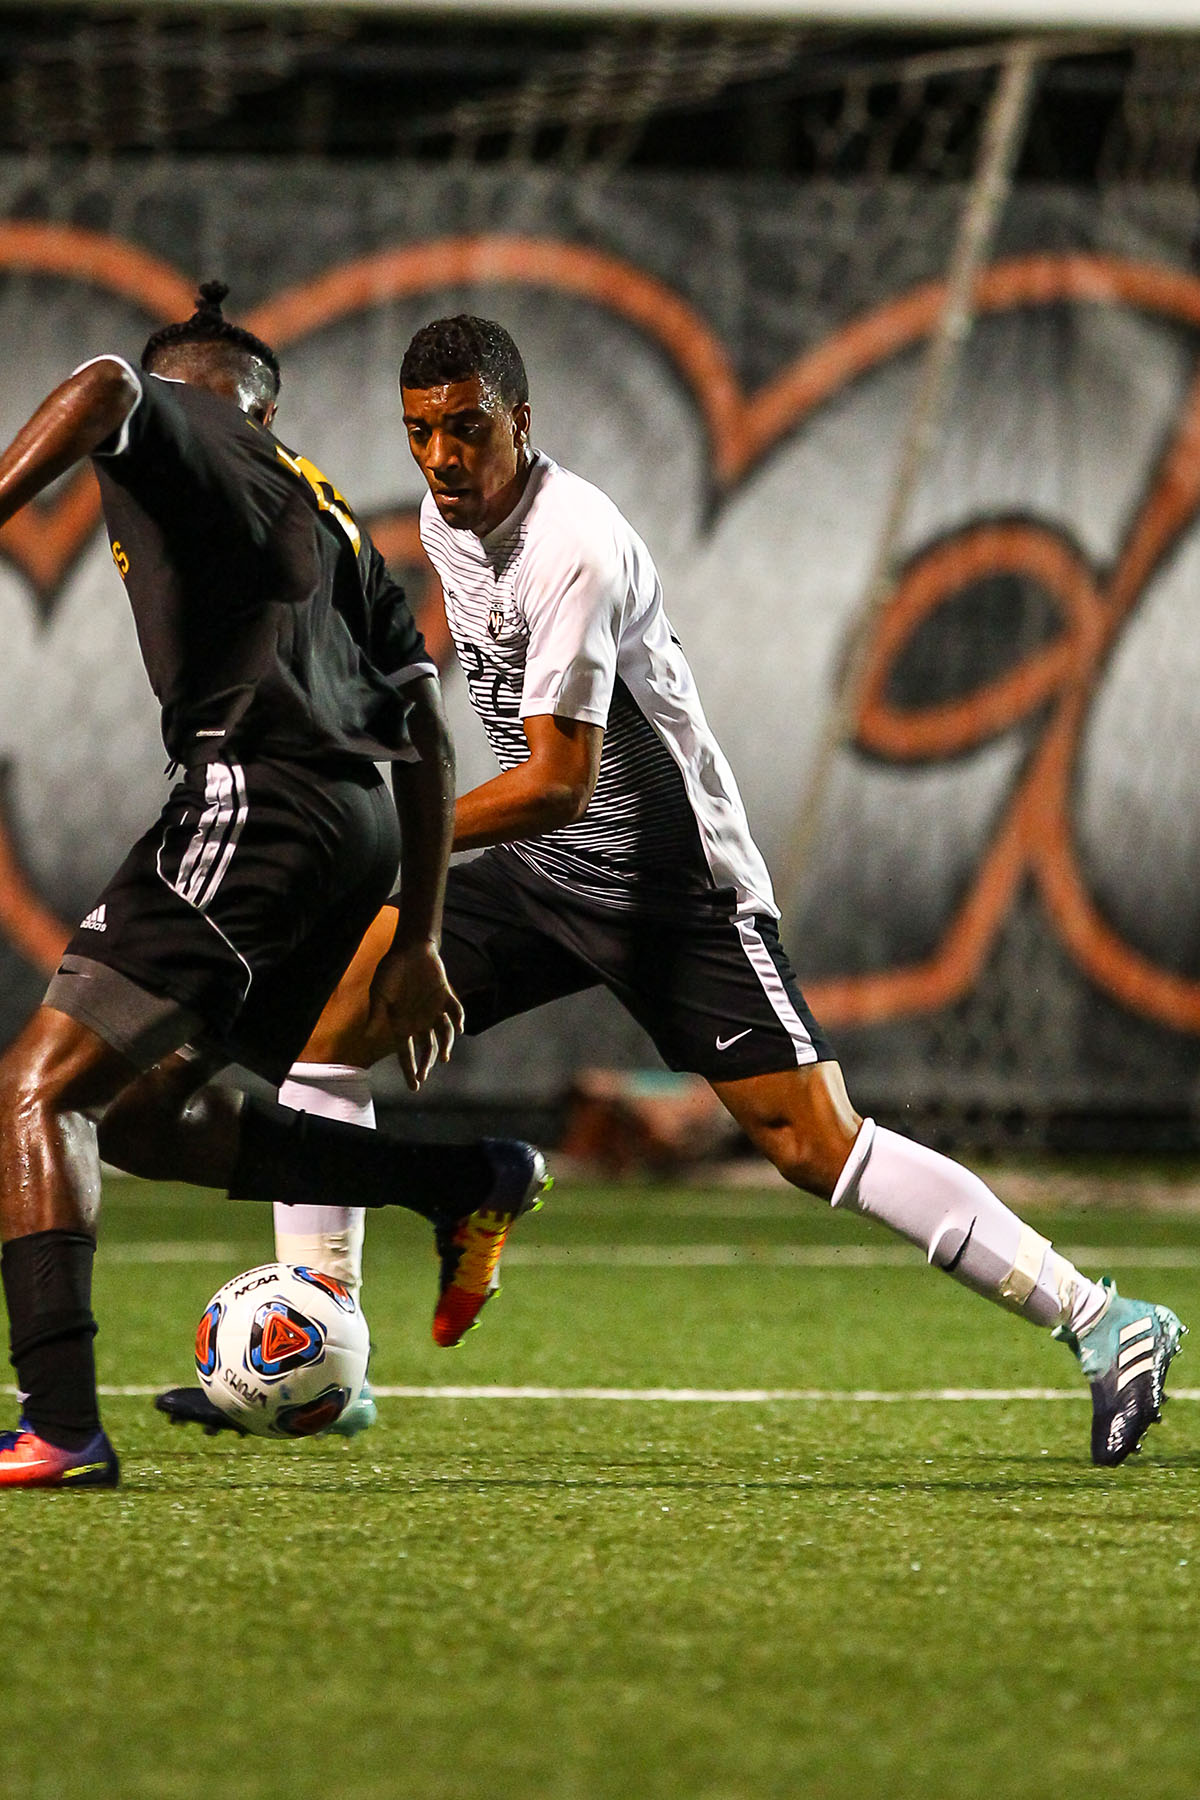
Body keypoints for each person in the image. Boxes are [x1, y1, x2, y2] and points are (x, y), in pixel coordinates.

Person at [152, 312, 1182, 1468]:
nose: (442, 458)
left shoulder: (576, 544)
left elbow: (558, 781)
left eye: (467, 430)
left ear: (520, 421)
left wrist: (390, 843)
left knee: (815, 1144)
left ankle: (1107, 1320)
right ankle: (327, 1354)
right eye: (420, 433)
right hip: (547, 878)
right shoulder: (452, 522)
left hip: (675, 892)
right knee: (324, 1032)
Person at [0, 288, 546, 1490]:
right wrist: (417, 937)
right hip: (353, 833)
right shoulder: (334, 515)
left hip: (256, 795)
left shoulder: (180, 418)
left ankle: (60, 1426)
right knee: (139, 1115)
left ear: (197, 395)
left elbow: (103, 382)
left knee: (33, 1093)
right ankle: (462, 1180)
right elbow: (426, 732)